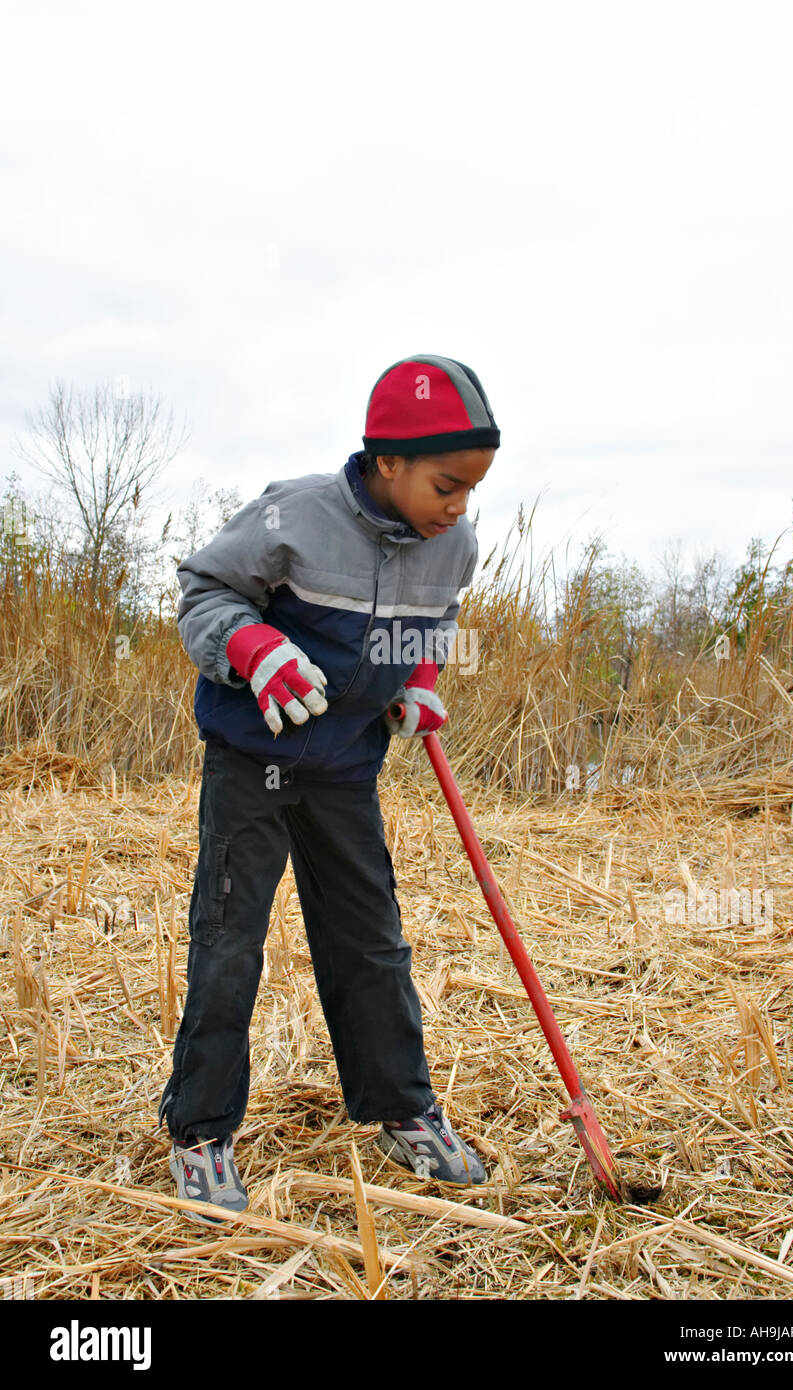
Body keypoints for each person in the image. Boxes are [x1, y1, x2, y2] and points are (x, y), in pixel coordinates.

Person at [159, 354, 500, 1220]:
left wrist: (417, 681)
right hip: (252, 757)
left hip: (347, 765)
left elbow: (436, 622)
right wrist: (252, 650)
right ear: (388, 463)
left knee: (371, 942)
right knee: (230, 941)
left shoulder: (450, 541)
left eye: (472, 488)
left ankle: (401, 1109)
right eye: (447, 484)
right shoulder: (291, 516)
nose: (461, 506)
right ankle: (201, 1130)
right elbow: (204, 590)